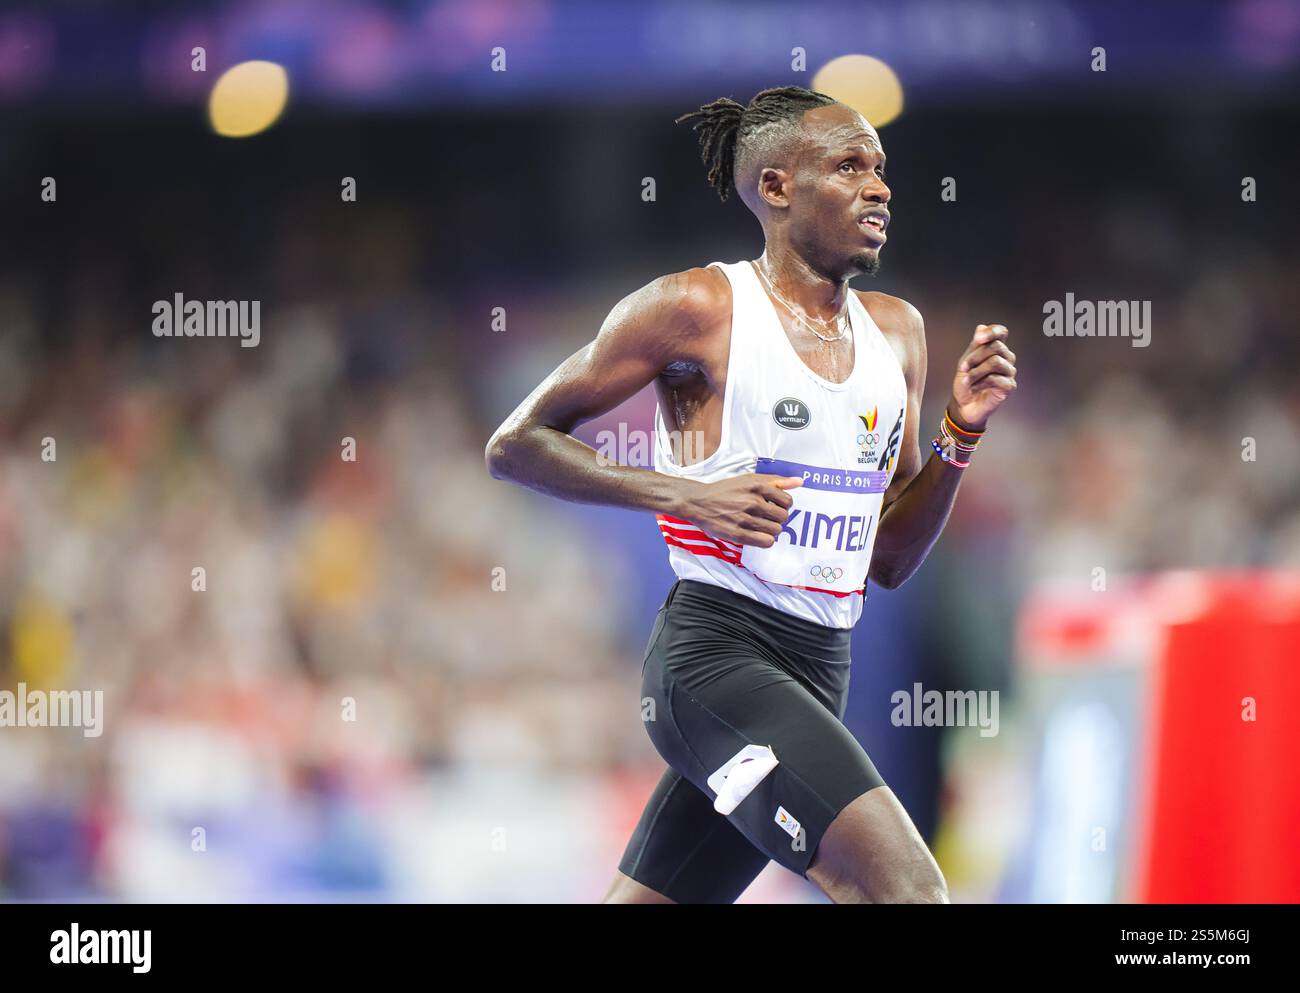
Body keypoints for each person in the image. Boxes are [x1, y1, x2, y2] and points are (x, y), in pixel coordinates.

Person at [485, 86, 1017, 903]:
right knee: (908, 889)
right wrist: (686, 495)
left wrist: (959, 434)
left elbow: (891, 559)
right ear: (776, 189)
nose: (878, 187)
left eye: (880, 169)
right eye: (848, 167)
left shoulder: (897, 333)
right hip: (715, 659)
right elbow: (517, 442)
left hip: (819, 670)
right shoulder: (697, 309)